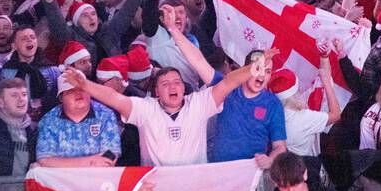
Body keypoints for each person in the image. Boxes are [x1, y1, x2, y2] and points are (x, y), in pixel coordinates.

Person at [64, 50, 274, 165]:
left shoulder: (199, 104)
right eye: (165, 84)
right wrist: (85, 85)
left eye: (177, 82)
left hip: (196, 188)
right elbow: (114, 97)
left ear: (184, 87)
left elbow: (228, 82)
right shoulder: (145, 109)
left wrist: (255, 67)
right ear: (156, 92)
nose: (172, 86)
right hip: (159, 190)